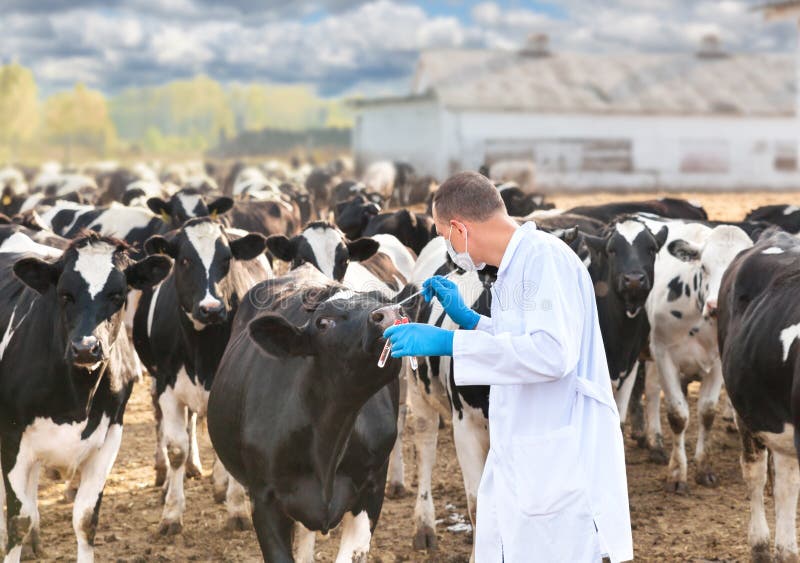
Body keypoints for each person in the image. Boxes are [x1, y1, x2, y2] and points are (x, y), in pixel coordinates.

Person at [384, 171, 633, 563]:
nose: (448, 247)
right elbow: (522, 338)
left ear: (460, 228)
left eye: (444, 235)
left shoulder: (544, 260)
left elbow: (552, 352)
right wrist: (470, 320)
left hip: (558, 459)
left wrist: (449, 342)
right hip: (532, 452)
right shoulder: (517, 267)